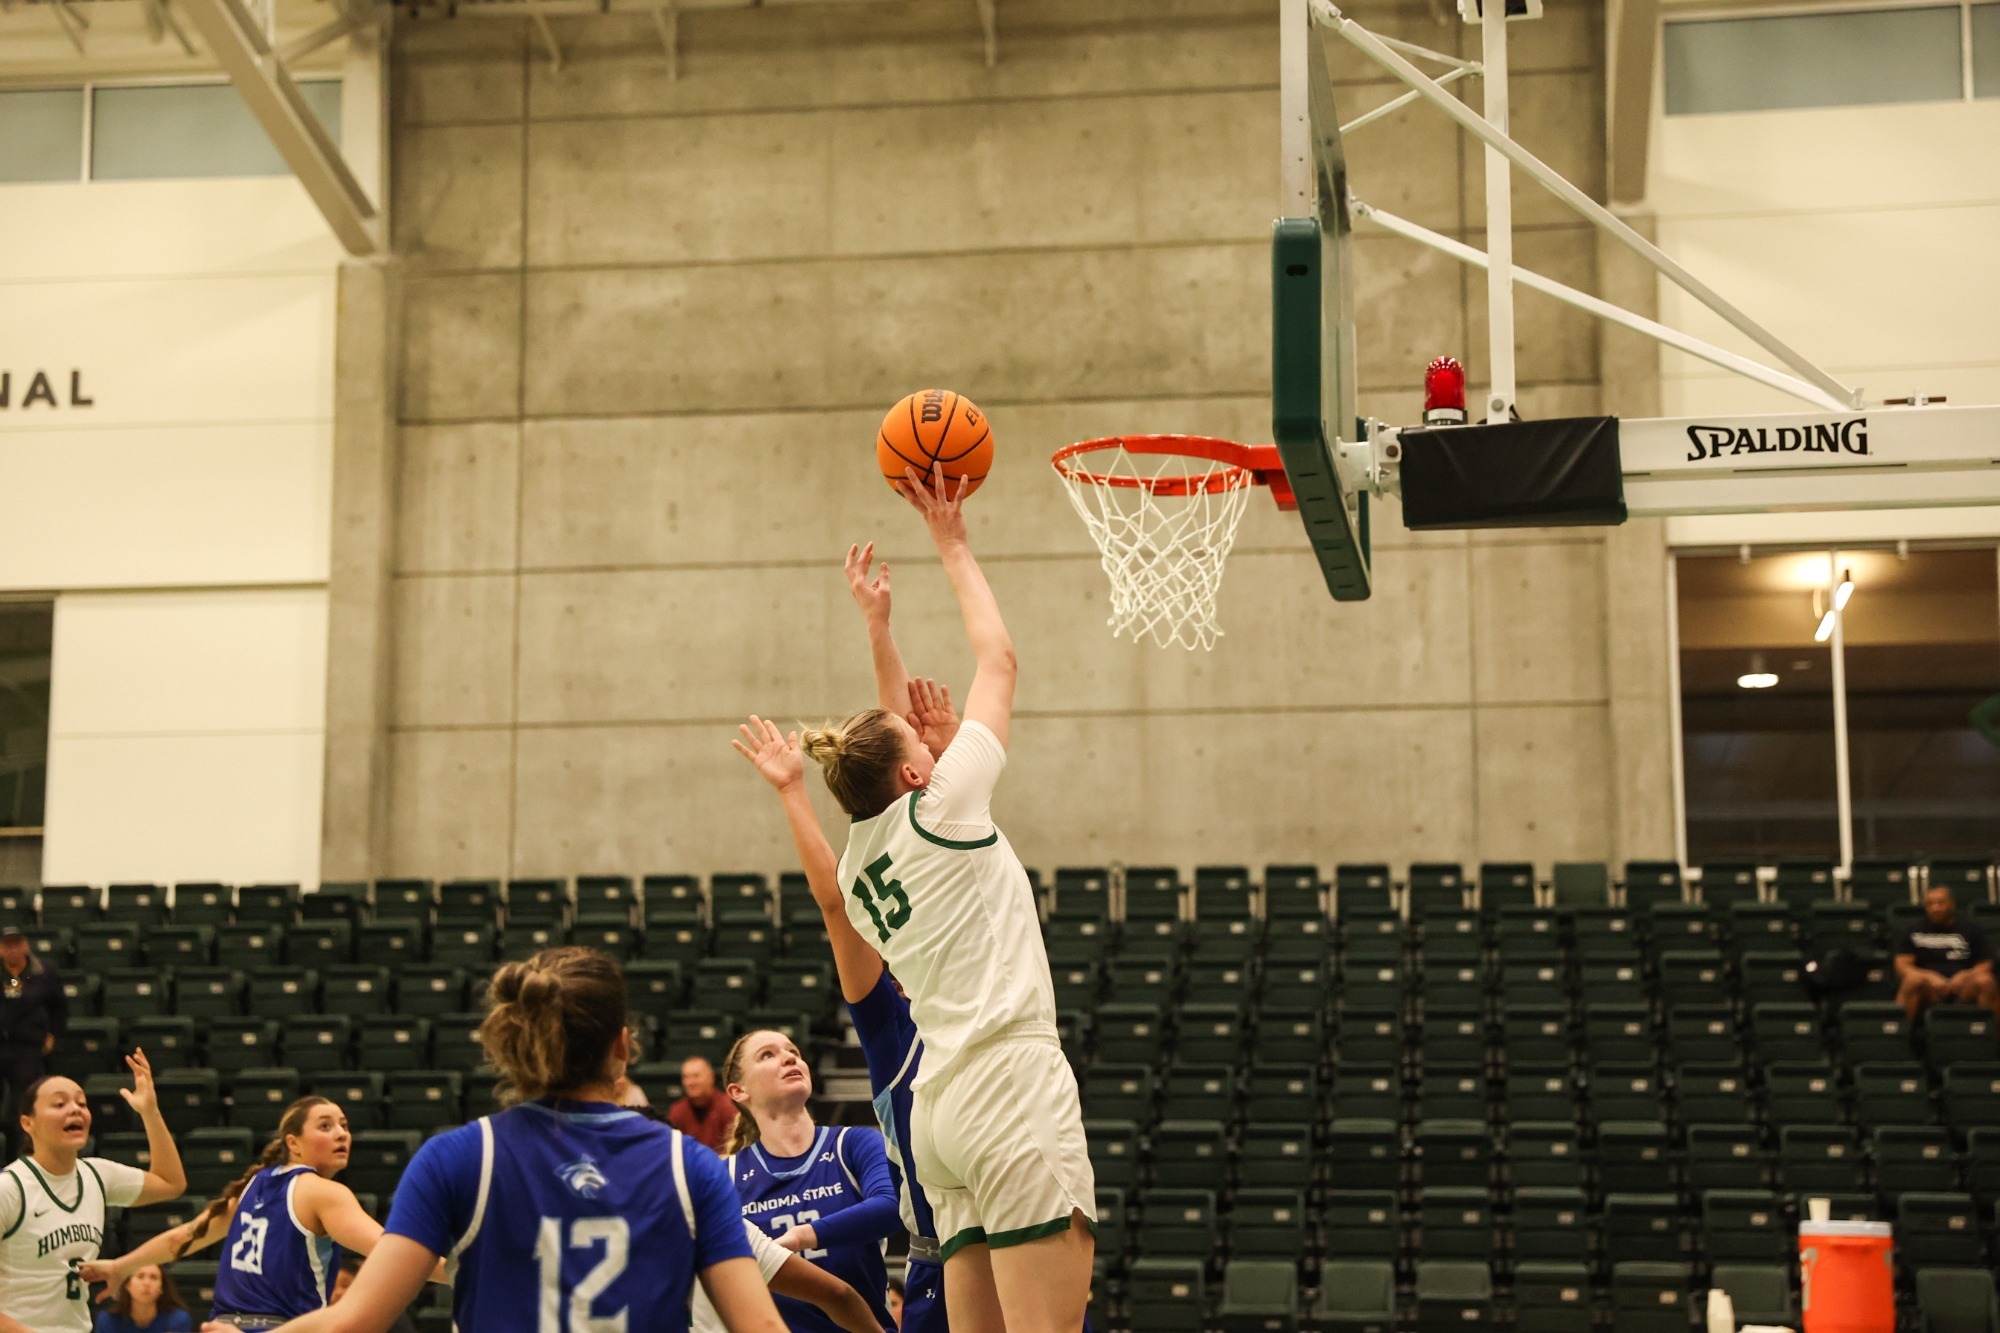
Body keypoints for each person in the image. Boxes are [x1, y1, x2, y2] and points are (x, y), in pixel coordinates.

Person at [778, 465, 1096, 1333]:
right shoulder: (945, 806)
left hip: (942, 1113)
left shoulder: (857, 864)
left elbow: (882, 741)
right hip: (1008, 1082)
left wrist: (879, 630)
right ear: (918, 774)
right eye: (925, 743)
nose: (932, 730)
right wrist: (951, 541)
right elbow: (1000, 658)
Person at [262, 947, 788, 1333]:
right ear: (623, 1047)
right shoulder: (690, 1165)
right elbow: (761, 1327)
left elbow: (352, 1321)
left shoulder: (456, 1158)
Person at [84, 1097, 426, 1323]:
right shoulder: (323, 1192)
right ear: (293, 1143)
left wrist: (121, 1265)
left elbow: (184, 1237)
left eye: (345, 1125)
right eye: (326, 1126)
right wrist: (462, 1268)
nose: (341, 1134)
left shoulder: (256, 1183)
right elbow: (397, 1251)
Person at [717, 1030, 898, 1333]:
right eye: (768, 1055)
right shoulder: (725, 1176)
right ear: (738, 1091)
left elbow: (892, 1207)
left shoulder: (852, 1143)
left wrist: (802, 1236)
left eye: (794, 1052)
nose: (790, 1058)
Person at [0, 1054, 187, 1333]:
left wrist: (150, 1111)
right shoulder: (10, 1188)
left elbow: (171, 1182)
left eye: (81, 1103)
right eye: (60, 1104)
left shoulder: (97, 1176)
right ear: (28, 1123)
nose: (75, 1109)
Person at [0, 925, 68, 1159]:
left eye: (16, 944)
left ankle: (19, 1161)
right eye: (7, 945)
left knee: (22, 1110)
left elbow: (60, 1006)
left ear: (25, 945)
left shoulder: (41, 972)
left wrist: (53, 1034)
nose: (12, 949)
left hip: (27, 1048)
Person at [1895, 885, 1999, 1020]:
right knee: (1912, 981)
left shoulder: (1971, 928)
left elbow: (1986, 963)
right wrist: (1928, 977)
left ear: (1952, 904)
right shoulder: (1914, 930)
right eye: (1930, 904)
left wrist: (1966, 975)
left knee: (1986, 981)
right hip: (1929, 990)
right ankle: (1899, 1038)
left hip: (1963, 989)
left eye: (1941, 903)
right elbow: (1902, 964)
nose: (1935, 908)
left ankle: (1992, 1038)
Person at [668, 1056, 739, 1154]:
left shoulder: (728, 1108)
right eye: (686, 1077)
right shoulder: (677, 1112)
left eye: (696, 1076)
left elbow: (734, 1148)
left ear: (711, 1077)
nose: (690, 1082)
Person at [90, 1265, 191, 1333]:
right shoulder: (108, 1320)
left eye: (153, 1277)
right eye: (140, 1276)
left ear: (161, 1288)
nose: (146, 1283)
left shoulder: (177, 1319)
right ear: (128, 1284)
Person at [327, 1256, 415, 1333]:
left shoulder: (387, 1315)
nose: (338, 1293)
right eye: (332, 1289)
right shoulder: (320, 1319)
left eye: (345, 1285)